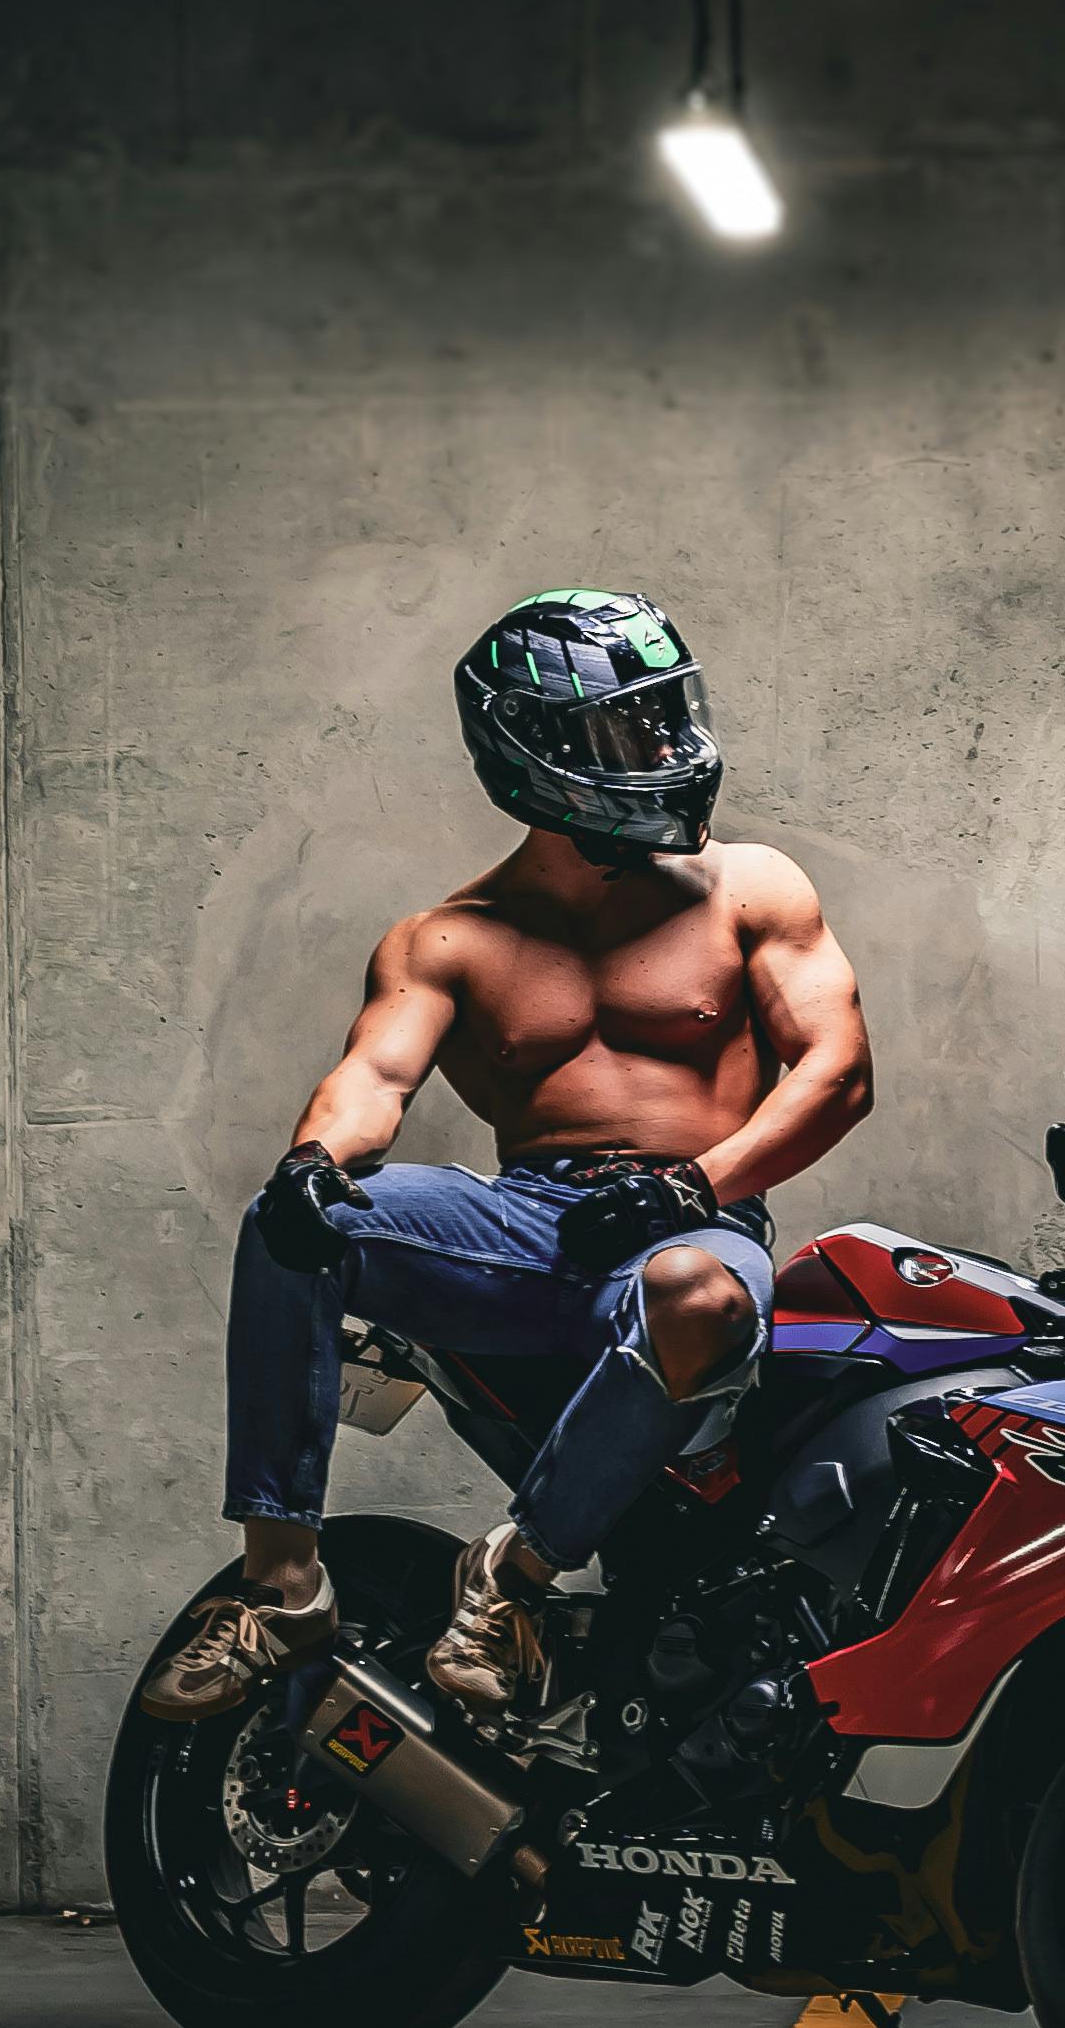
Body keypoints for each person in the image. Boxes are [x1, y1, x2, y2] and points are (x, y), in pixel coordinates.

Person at [137, 589, 872, 1722]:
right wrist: (311, 1163)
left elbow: (838, 1071)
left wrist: (695, 1185)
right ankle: (282, 1584)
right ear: (537, 750)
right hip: (530, 1227)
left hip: (695, 1223)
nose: (664, 746)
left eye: (667, 712)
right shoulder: (449, 938)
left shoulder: (753, 887)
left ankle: (510, 1580)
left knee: (700, 1291)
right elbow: (374, 1080)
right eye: (629, 726)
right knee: (294, 1225)